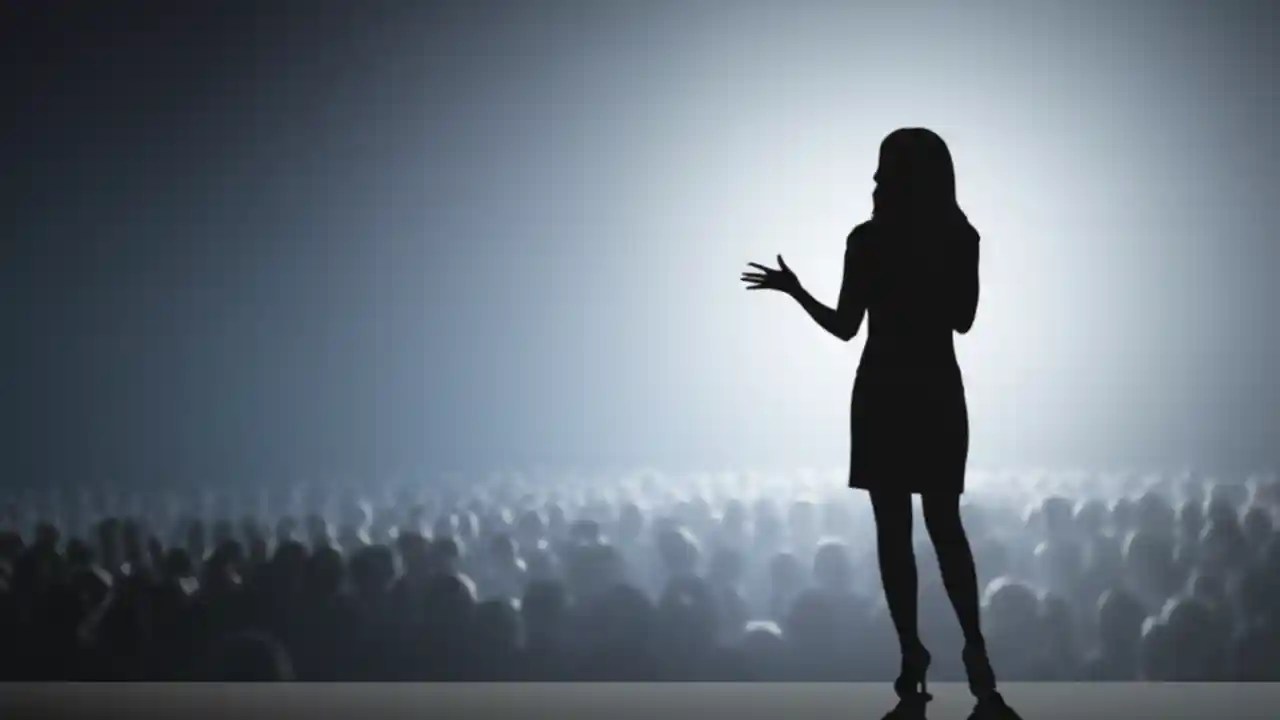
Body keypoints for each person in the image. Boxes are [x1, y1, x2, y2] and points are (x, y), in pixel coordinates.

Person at [741, 128, 1019, 719]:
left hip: (883, 394)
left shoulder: (867, 240)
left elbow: (845, 327)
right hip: (937, 390)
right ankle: (975, 652)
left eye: (882, 171)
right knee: (946, 526)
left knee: (894, 531)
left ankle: (911, 654)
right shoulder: (959, 237)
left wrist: (796, 292)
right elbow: (963, 320)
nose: (872, 182)